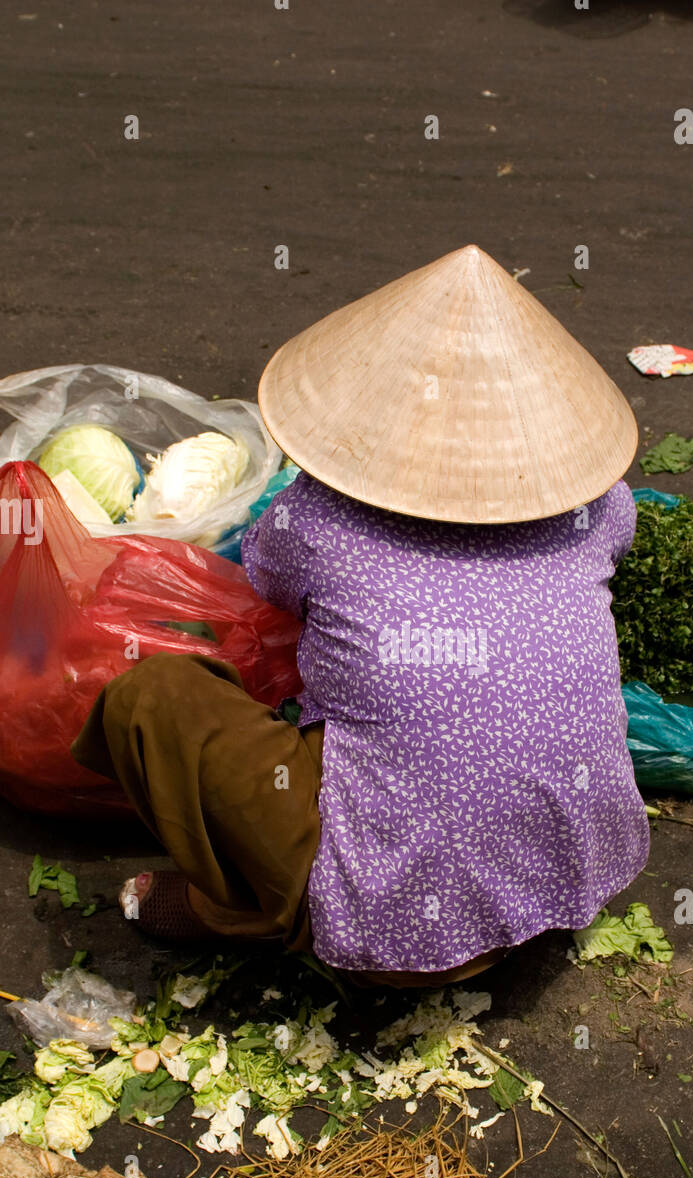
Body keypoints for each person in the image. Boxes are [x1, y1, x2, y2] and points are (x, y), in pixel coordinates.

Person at [71, 244, 649, 987]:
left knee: (152, 697)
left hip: (391, 939)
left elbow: (268, 581)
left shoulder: (308, 523)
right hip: (573, 879)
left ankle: (240, 910)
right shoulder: (600, 511)